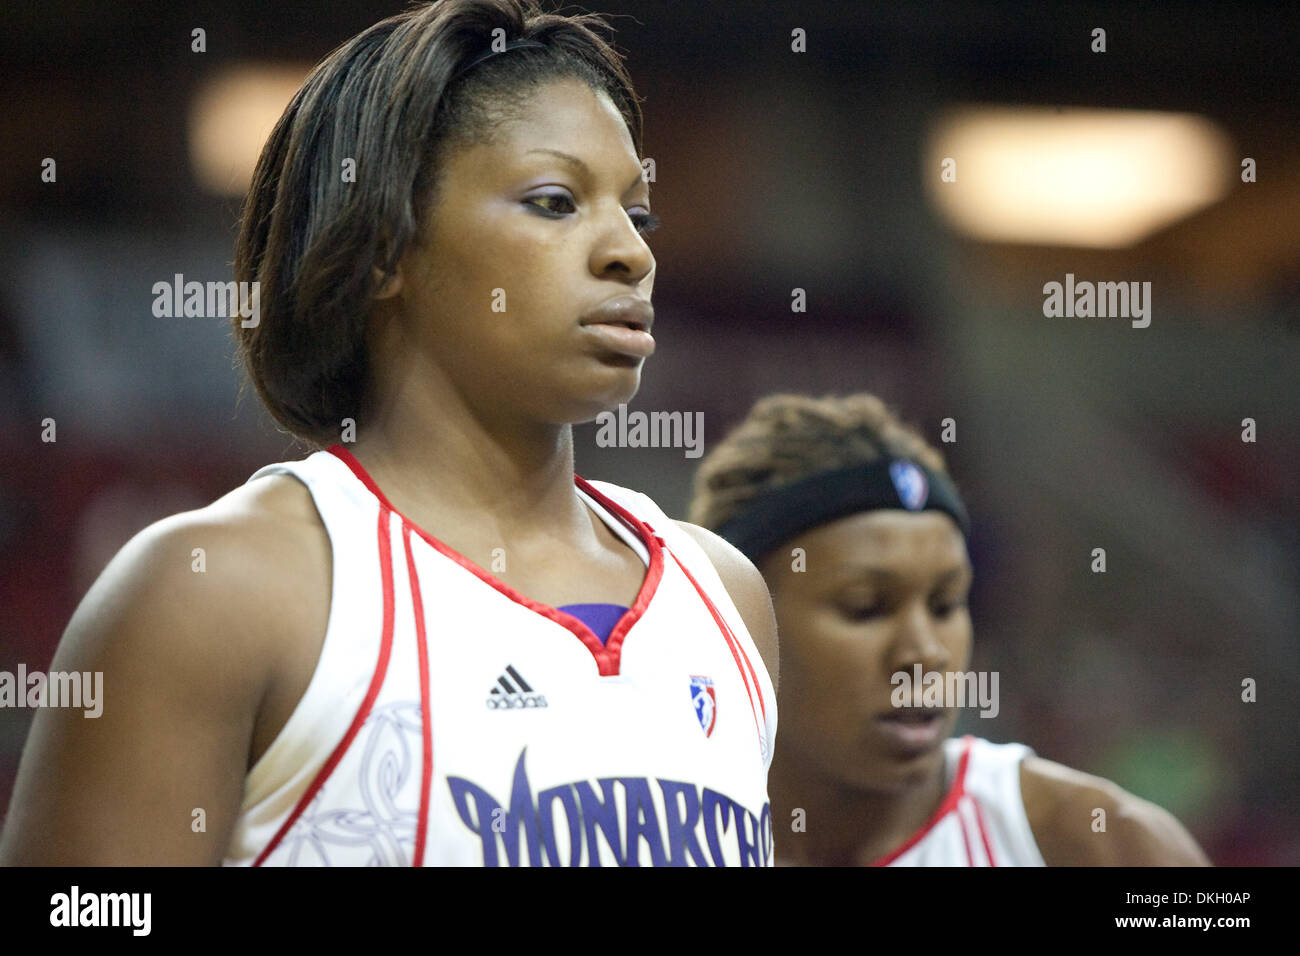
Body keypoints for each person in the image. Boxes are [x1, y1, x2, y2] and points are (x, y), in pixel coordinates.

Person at [0, 0, 777, 867]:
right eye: (555, 202)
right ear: (383, 250)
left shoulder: (725, 597)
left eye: (639, 213)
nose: (630, 252)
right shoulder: (217, 592)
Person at [689, 392, 1207, 866]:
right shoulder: (654, 835)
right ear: (741, 623)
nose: (925, 652)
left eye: (945, 604)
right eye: (866, 607)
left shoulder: (1102, 845)